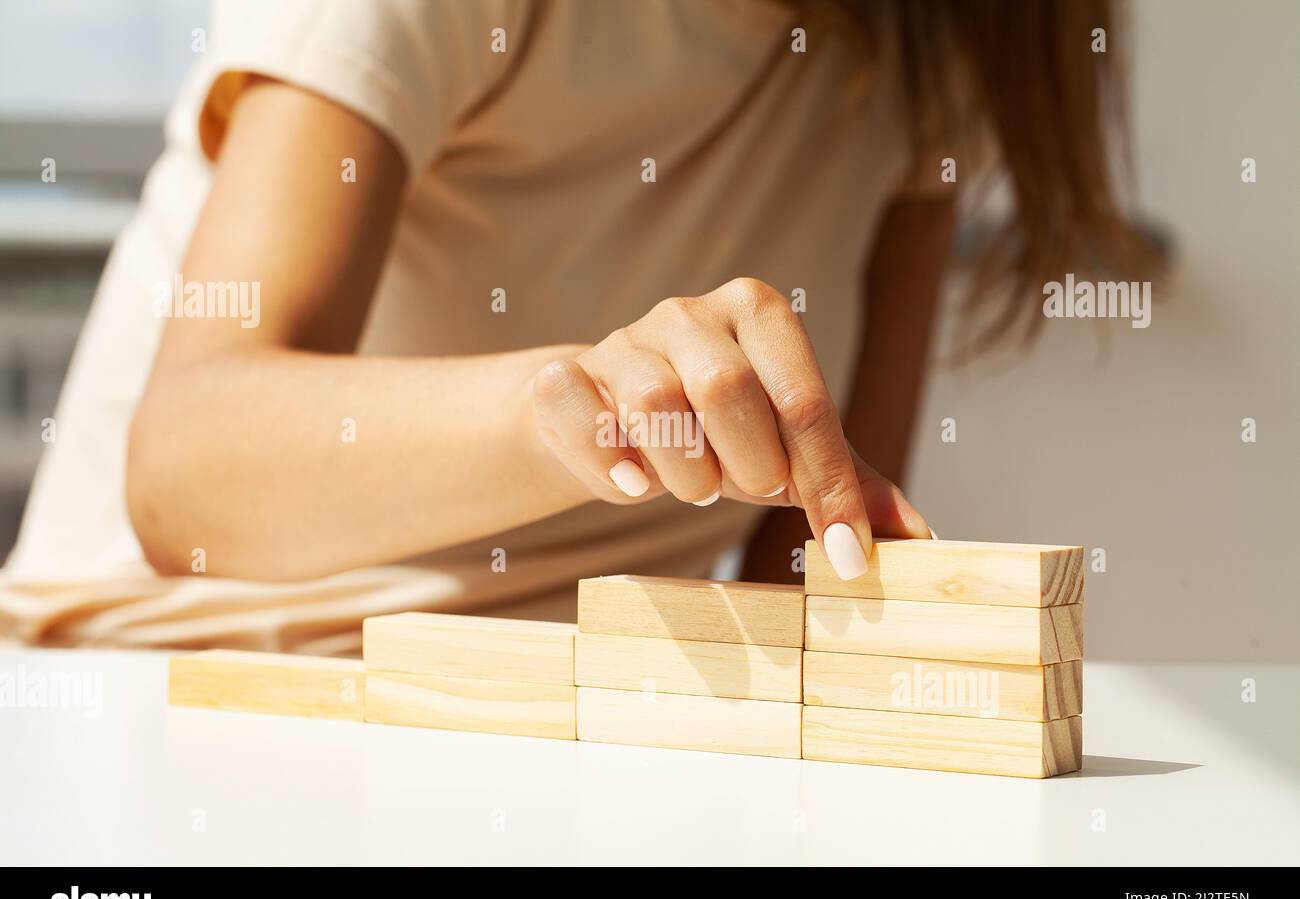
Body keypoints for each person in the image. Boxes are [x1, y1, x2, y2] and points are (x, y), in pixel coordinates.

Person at [0, 0, 1146, 651]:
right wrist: (578, 409)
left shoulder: (928, 56)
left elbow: (812, 546)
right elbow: (186, 467)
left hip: (556, 725)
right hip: (161, 680)